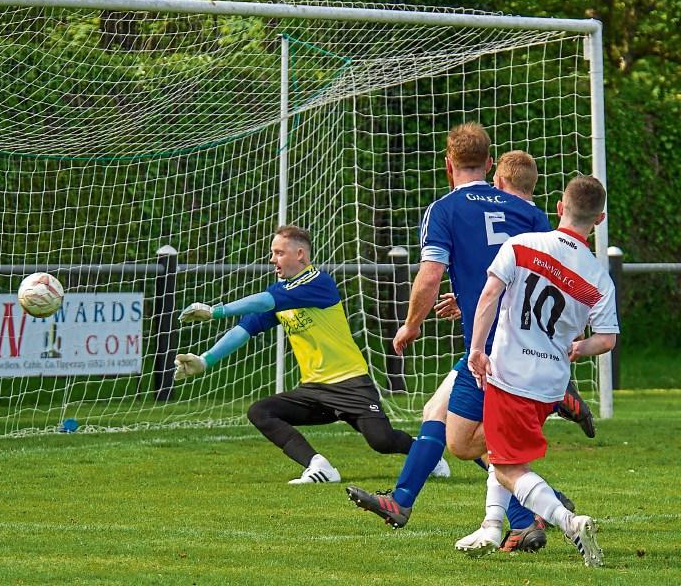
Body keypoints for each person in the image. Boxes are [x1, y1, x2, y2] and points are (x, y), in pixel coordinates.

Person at [346, 127, 572, 548]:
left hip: (487, 348)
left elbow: (431, 273)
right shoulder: (527, 211)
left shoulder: (444, 209)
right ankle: (403, 501)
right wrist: (468, 299)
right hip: (528, 340)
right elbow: (543, 277)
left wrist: (412, 324)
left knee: (465, 440)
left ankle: (536, 507)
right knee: (437, 410)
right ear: (489, 163)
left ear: (448, 165)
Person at [173, 225, 450, 484]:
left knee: (382, 441)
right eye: (272, 253)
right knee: (261, 411)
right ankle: (319, 466)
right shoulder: (280, 294)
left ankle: (428, 456)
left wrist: (216, 311)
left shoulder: (317, 282)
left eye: (279, 253)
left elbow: (265, 300)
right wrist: (205, 360)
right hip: (314, 390)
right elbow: (244, 329)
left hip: (351, 384)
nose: (272, 259)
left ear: (300, 255)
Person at [456, 175, 617, 567]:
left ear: (560, 207)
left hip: (511, 373)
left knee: (507, 466)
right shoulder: (598, 277)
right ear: (598, 220)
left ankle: (569, 522)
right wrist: (578, 347)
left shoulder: (522, 245)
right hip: (550, 385)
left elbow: (489, 295)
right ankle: (492, 525)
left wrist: (476, 349)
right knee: (501, 450)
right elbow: (607, 340)